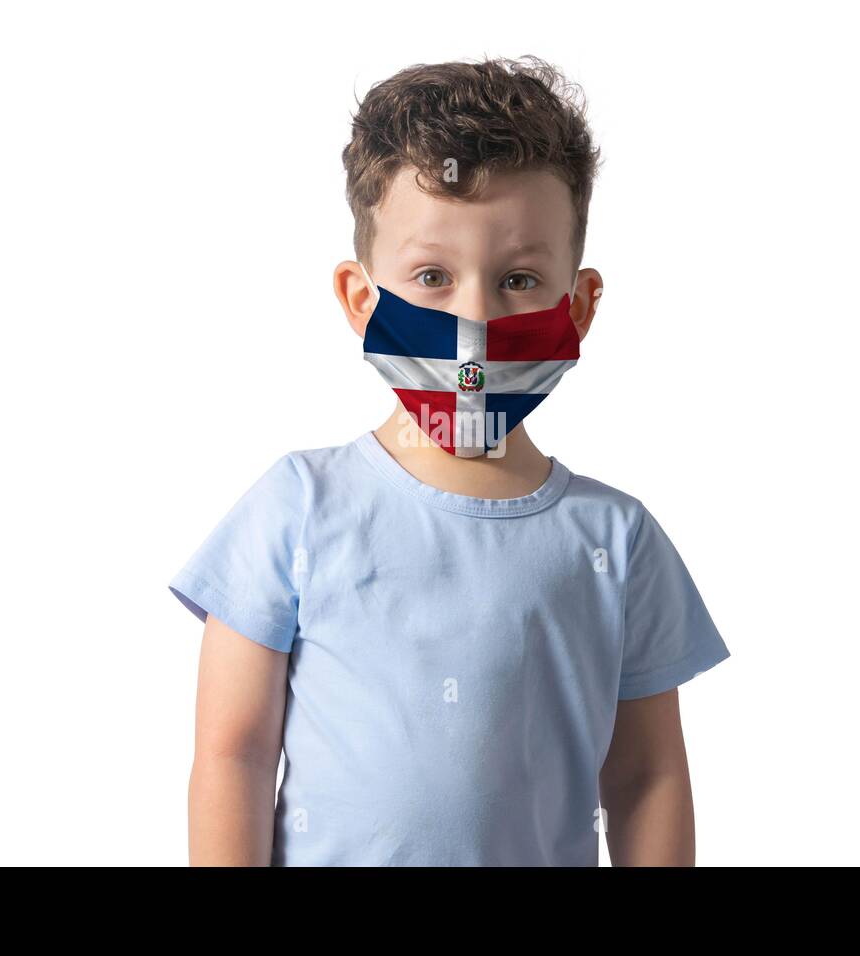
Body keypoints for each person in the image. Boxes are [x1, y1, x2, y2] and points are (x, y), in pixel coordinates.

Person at [169, 55, 731, 866]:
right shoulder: (297, 506)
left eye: (518, 278)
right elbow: (234, 757)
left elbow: (647, 777)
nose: (474, 322)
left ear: (575, 308)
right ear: (364, 301)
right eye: (432, 276)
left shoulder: (617, 539)